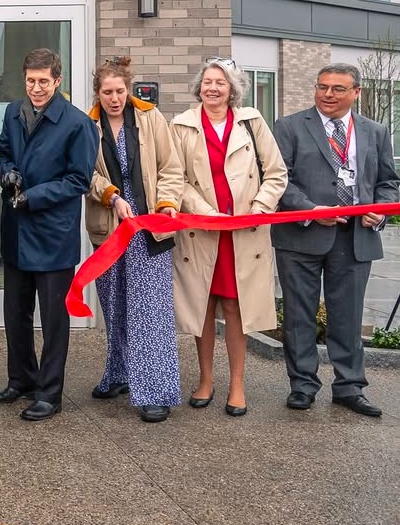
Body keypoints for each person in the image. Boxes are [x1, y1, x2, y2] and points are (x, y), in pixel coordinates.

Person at [273, 64, 399, 417]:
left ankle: (349, 387)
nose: (328, 94)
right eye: (322, 87)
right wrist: (312, 209)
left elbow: (388, 181)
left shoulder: (375, 131)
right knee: (300, 315)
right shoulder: (289, 127)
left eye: (337, 89)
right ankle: (302, 385)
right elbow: (279, 179)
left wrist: (382, 211)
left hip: (355, 237)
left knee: (348, 316)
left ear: (356, 92)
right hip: (302, 235)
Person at [171, 57, 286, 417]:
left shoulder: (252, 122)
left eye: (220, 82)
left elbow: (276, 172)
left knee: (236, 308)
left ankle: (237, 384)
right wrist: (205, 212)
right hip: (202, 232)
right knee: (202, 307)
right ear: (199, 87)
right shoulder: (182, 125)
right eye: (207, 81)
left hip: (244, 232)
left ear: (232, 88)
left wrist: (259, 206)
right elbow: (176, 178)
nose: (213, 88)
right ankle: (206, 380)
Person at [0, 48, 99, 422]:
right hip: (16, 231)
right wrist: (7, 172)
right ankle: (20, 378)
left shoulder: (78, 123)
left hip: (53, 235)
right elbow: (3, 151)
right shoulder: (12, 112)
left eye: (43, 81)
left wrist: (32, 196)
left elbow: (79, 180)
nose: (36, 88)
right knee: (15, 314)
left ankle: (49, 392)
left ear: (58, 81)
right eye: (30, 81)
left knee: (53, 320)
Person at [85, 58, 184, 423]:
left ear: (128, 90)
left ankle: (155, 391)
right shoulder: (88, 125)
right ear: (98, 93)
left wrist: (166, 203)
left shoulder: (151, 119)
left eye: (120, 91)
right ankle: (120, 374)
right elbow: (86, 174)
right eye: (107, 92)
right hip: (109, 228)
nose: (114, 98)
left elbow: (172, 169)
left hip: (149, 230)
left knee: (150, 311)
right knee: (114, 306)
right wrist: (110, 194)